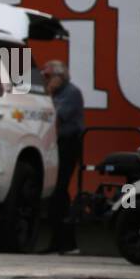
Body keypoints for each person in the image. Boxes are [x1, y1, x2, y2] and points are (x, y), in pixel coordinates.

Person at [40, 59, 85, 255]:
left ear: (60, 77)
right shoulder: (51, 94)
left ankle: (67, 242)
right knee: (54, 193)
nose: (47, 81)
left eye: (49, 77)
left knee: (60, 190)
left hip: (68, 144)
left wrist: (49, 93)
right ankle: (57, 242)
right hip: (53, 144)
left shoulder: (71, 93)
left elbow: (55, 116)